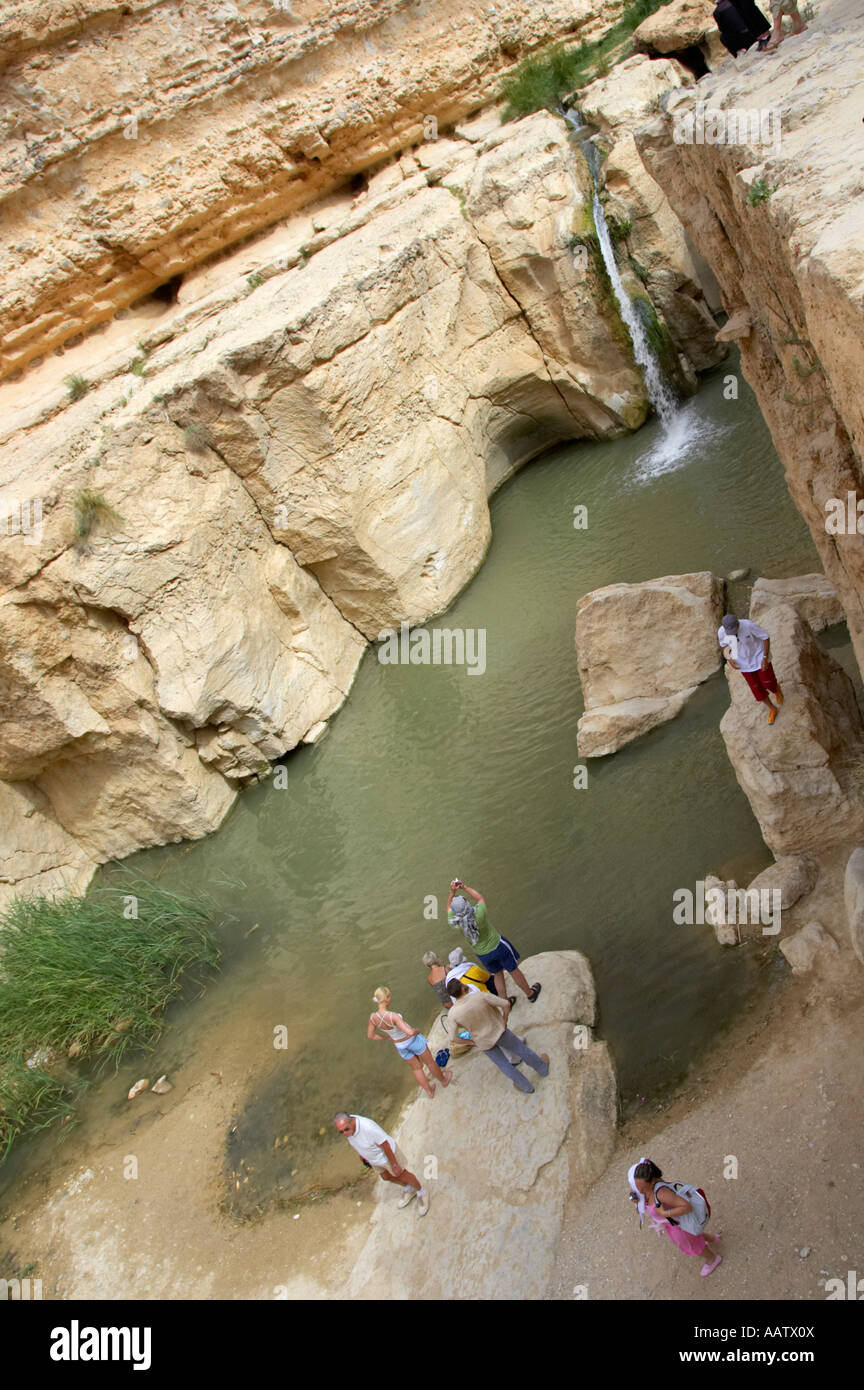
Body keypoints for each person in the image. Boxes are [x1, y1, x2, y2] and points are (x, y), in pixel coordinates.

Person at [445, 978, 550, 1095]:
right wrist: (504, 1021)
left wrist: (471, 1042)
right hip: (499, 1031)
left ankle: (525, 1086)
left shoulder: (453, 1014)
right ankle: (542, 1069)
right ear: (461, 987)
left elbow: (453, 1038)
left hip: (483, 1042)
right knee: (521, 1050)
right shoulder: (479, 996)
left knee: (504, 1065)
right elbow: (506, 1004)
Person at [446, 879, 541, 1004]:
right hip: (498, 946)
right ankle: (530, 994)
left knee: (497, 975)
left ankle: (505, 1002)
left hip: (482, 954)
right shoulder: (479, 914)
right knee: (514, 970)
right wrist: (465, 887)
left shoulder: (456, 925)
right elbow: (479, 898)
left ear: (456, 913)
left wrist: (451, 892)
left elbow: (448, 908)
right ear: (467, 905)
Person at [631, 1158, 722, 1278]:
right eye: (638, 1188)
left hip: (679, 1226)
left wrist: (664, 1213)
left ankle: (712, 1259)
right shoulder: (648, 1187)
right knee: (694, 1236)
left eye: (642, 1189)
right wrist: (635, 1199)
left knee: (693, 1244)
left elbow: (686, 1206)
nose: (640, 1192)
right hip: (674, 1224)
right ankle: (712, 1238)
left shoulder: (662, 1194)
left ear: (652, 1182)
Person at [334, 1112, 429, 1215]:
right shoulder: (348, 1129)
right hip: (374, 1159)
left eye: (346, 1129)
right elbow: (356, 1142)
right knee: (386, 1177)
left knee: (403, 1175)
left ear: (351, 1121)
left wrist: (394, 1165)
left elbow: (385, 1144)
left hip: (387, 1155)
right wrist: (362, 1156)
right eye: (341, 1132)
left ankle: (422, 1192)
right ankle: (410, 1189)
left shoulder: (368, 1128)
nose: (345, 1133)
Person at [367, 987, 452, 1097]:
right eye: (389, 996)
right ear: (387, 999)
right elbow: (410, 1032)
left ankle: (429, 1091)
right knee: (429, 1062)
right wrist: (417, 1031)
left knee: (416, 1068)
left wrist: (387, 1038)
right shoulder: (393, 1016)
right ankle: (444, 1080)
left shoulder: (373, 1017)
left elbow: (371, 1036)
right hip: (412, 1041)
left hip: (400, 1046)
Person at [717, 612, 783, 723]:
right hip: (743, 663)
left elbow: (765, 637)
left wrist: (765, 658)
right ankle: (772, 708)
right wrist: (729, 659)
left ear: (738, 624)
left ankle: (776, 689)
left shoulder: (748, 625)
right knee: (757, 689)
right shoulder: (721, 632)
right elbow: (724, 646)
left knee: (768, 682)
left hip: (759, 657)